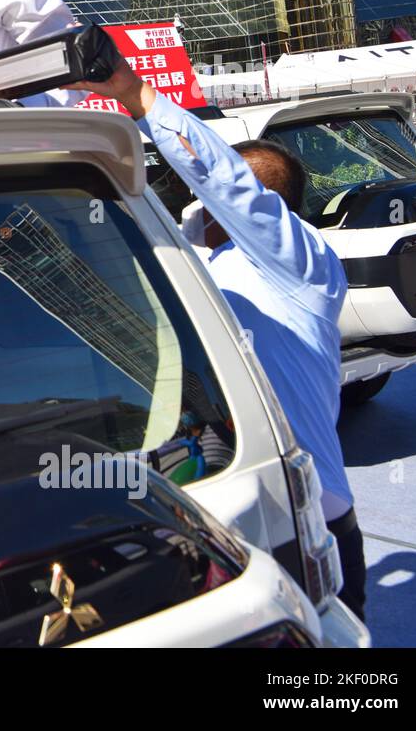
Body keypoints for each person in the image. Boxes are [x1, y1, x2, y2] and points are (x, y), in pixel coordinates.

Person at [83, 59, 367, 622]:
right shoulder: (200, 265)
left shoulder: (302, 263)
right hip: (215, 513)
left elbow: (231, 187)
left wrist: (136, 95)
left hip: (307, 520)